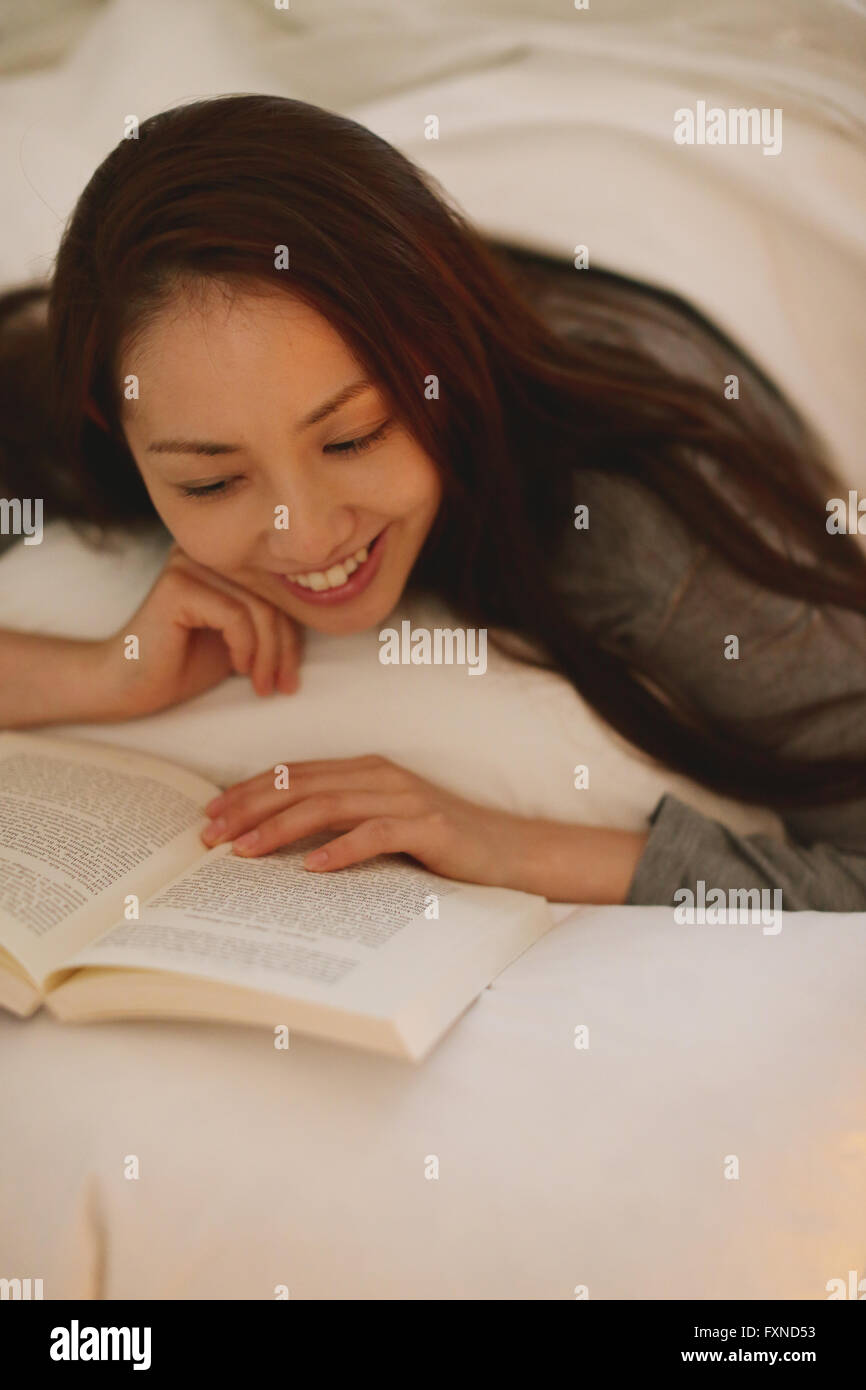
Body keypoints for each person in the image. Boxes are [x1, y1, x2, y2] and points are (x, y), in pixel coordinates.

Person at [2, 93, 865, 909]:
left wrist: (512, 847)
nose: (303, 535)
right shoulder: (92, 382)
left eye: (354, 438)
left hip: (654, 181)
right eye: (212, 481)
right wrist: (102, 673)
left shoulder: (644, 522)